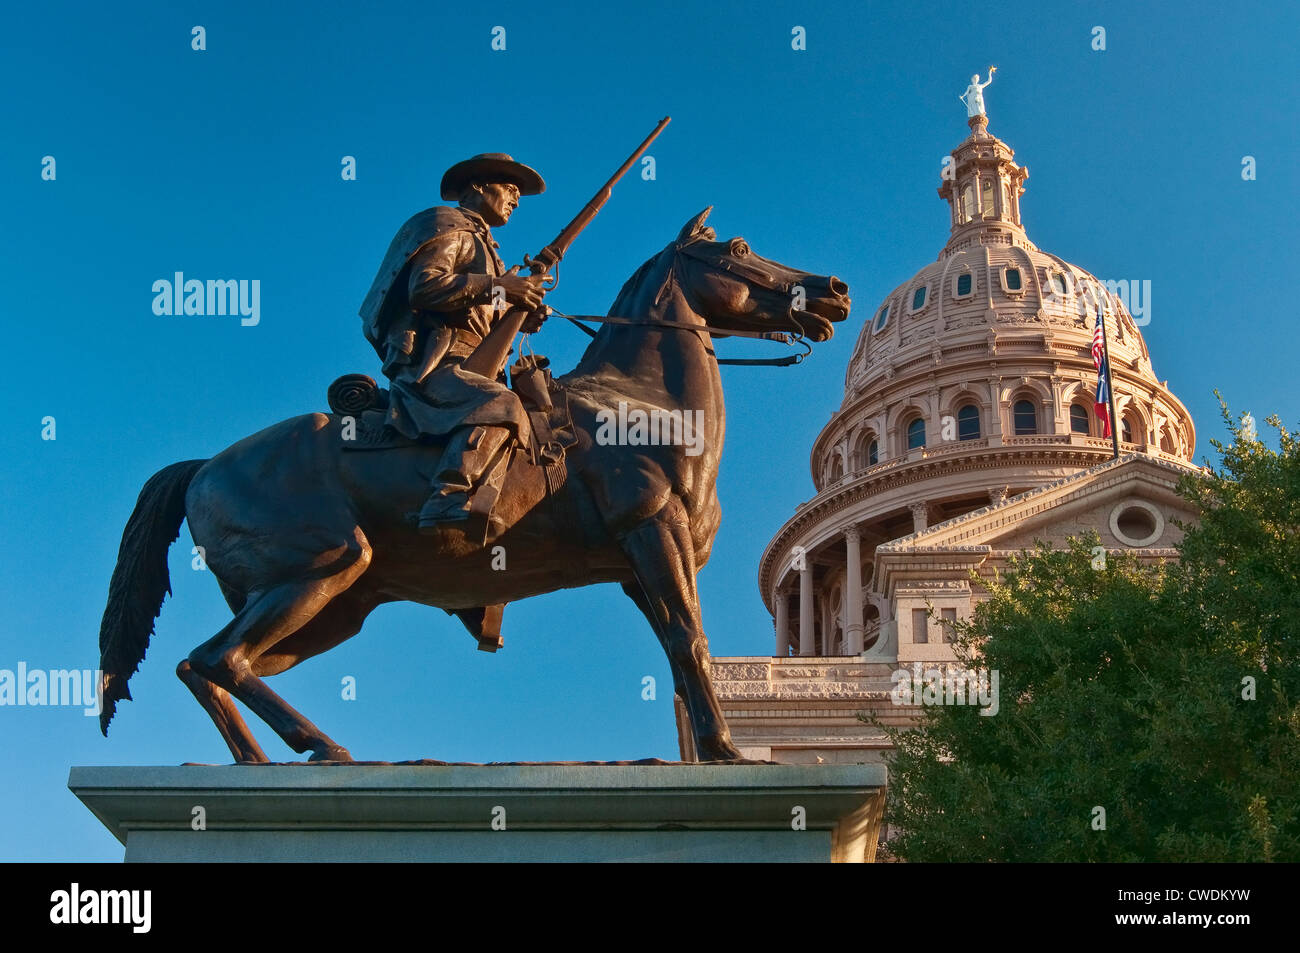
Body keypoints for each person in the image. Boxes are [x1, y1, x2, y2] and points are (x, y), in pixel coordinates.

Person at [358, 153, 549, 541]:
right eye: (509, 189)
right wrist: (501, 288)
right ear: (478, 186)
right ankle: (448, 496)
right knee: (503, 405)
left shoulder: (485, 245)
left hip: (475, 362)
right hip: (439, 364)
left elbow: (483, 314)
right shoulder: (451, 227)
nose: (515, 199)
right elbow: (424, 287)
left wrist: (518, 311)